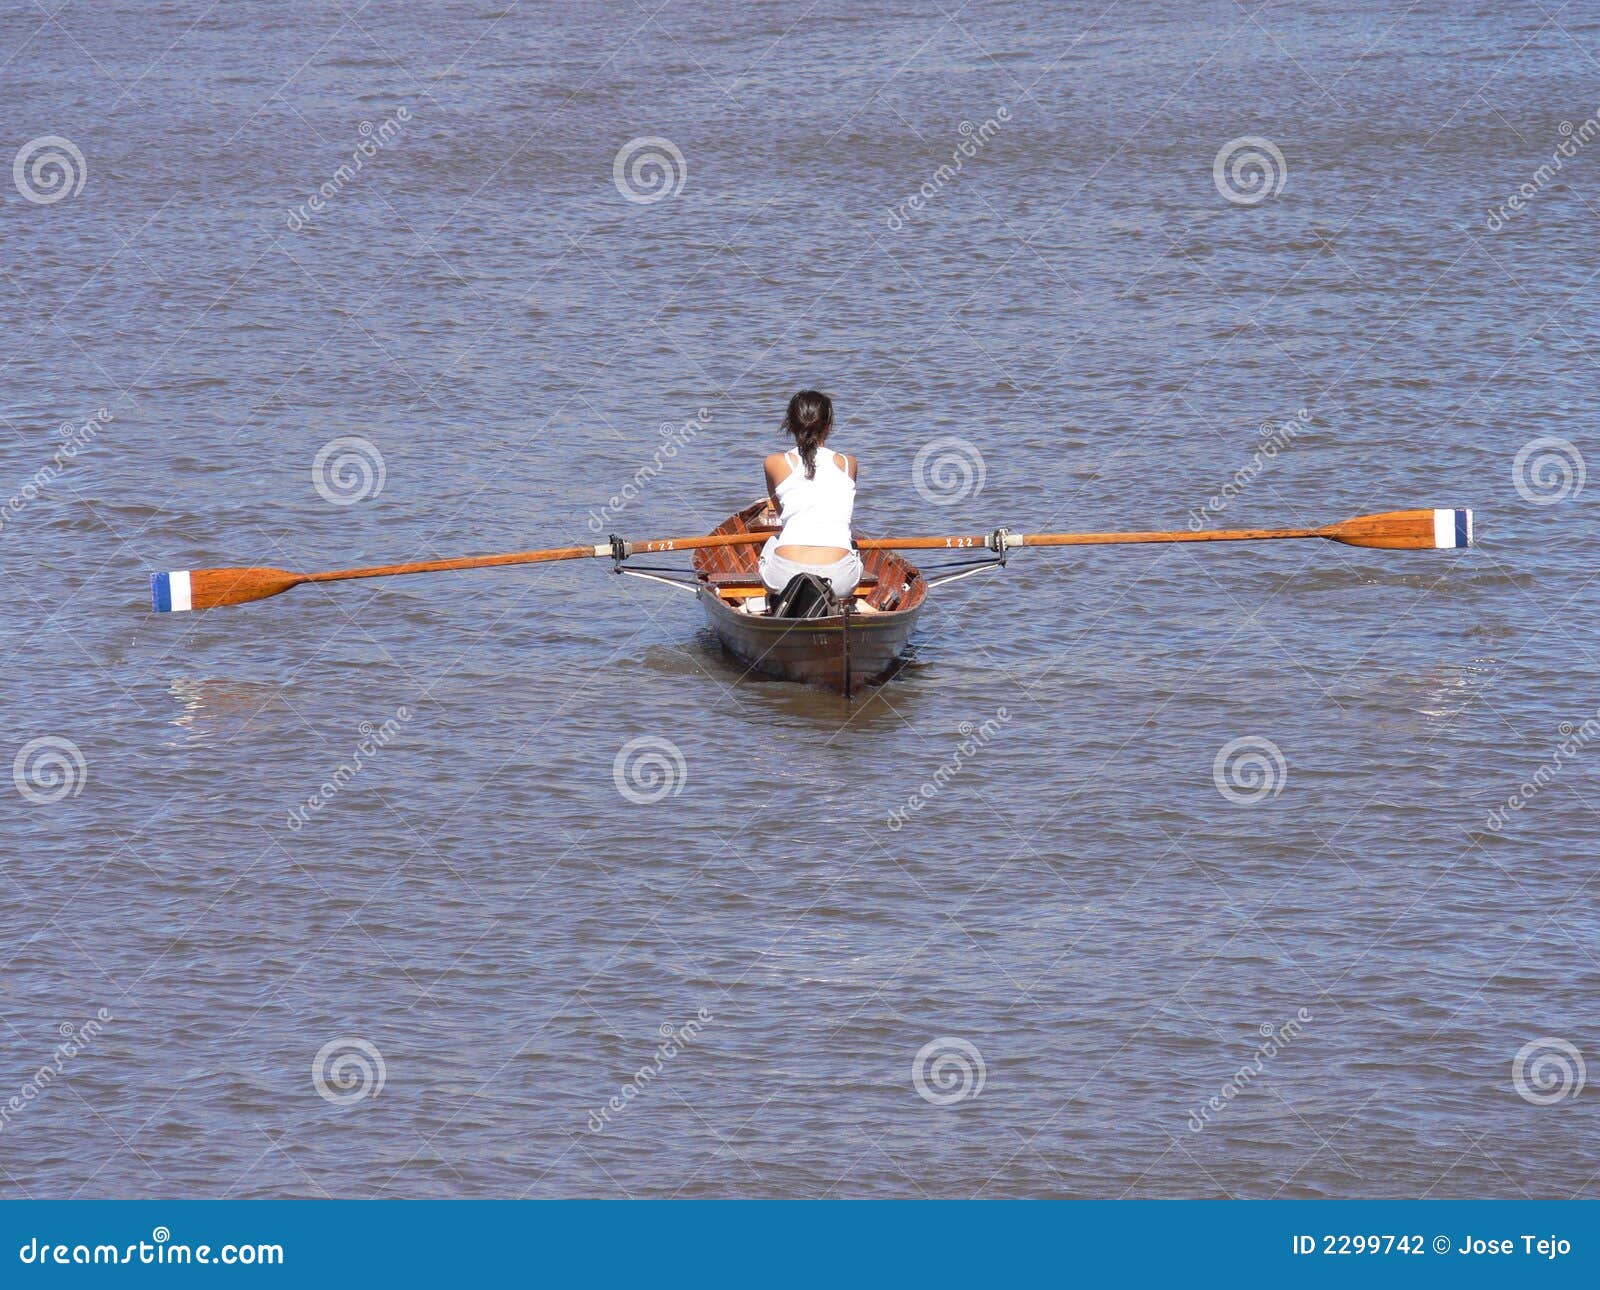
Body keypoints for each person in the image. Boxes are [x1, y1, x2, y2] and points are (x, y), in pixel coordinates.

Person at [759, 390, 872, 609]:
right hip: (839, 580)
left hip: (784, 578)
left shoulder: (774, 462)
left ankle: (777, 605)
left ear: (790, 425)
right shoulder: (849, 463)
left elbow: (782, 514)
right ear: (828, 425)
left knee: (772, 541)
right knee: (852, 543)